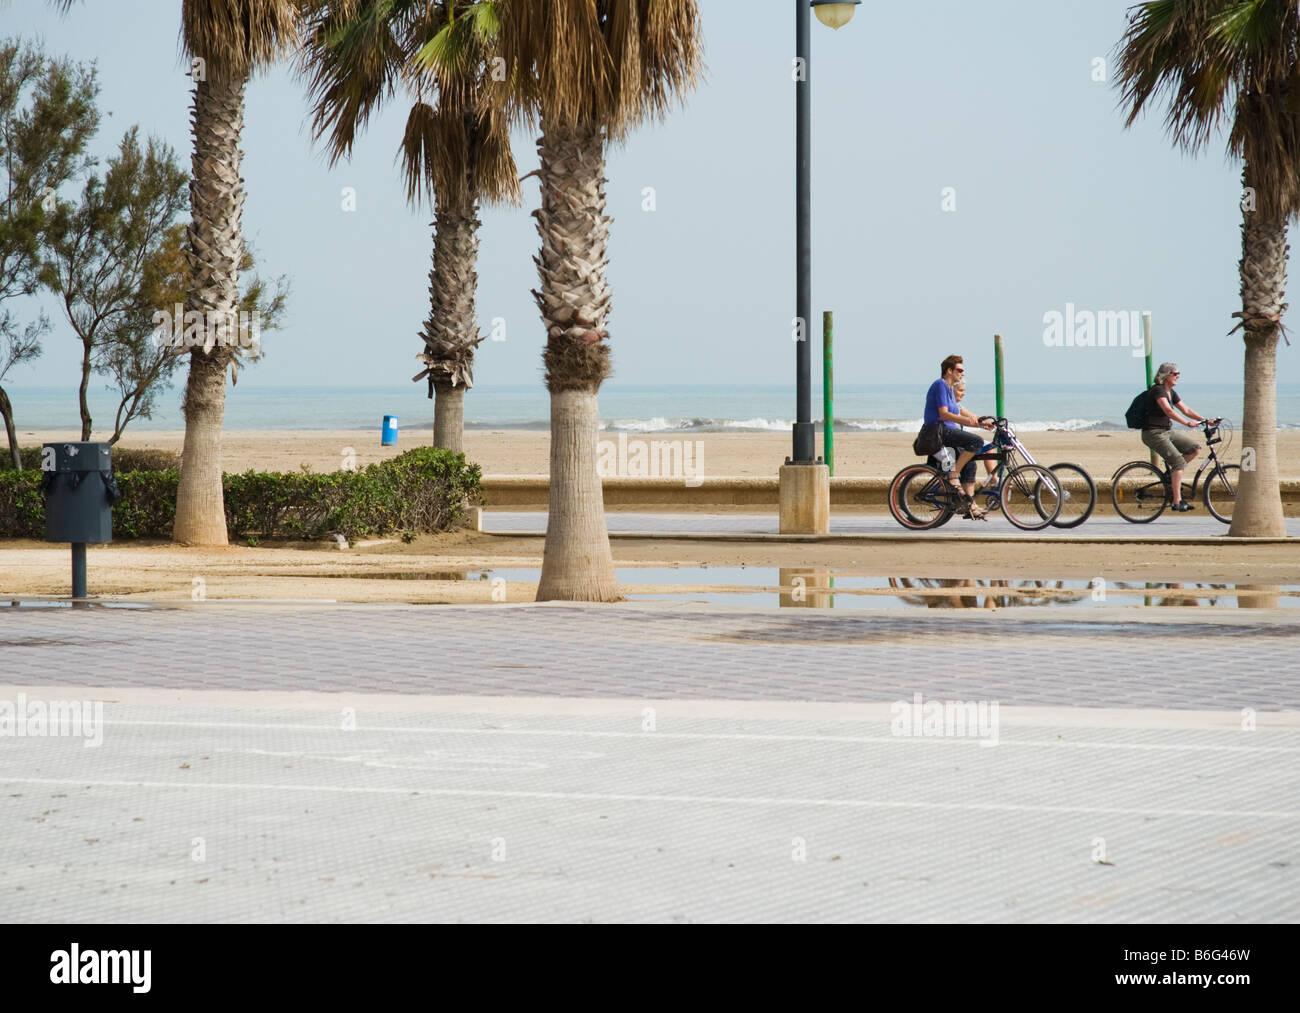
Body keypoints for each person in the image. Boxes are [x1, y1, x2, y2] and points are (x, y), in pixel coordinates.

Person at [923, 355, 996, 518]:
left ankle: (971, 505)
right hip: (938, 431)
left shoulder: (949, 390)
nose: (962, 373)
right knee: (976, 441)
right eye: (959, 370)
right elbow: (944, 414)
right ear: (949, 370)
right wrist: (969, 421)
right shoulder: (940, 384)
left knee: (971, 463)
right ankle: (953, 474)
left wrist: (983, 423)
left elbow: (963, 415)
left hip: (948, 432)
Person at [1141, 362, 1216, 512]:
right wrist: (1186, 423)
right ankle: (1177, 502)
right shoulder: (1158, 391)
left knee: (1194, 449)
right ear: (1166, 375)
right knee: (1179, 463)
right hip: (1153, 433)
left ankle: (1170, 476)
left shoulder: (1171, 393)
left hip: (1166, 432)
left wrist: (1205, 420)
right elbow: (1169, 411)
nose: (1178, 377)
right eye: (1175, 374)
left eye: (1178, 374)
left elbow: (1186, 409)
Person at [953, 378, 998, 487]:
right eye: (960, 390)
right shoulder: (950, 406)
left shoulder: (957, 406)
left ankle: (993, 480)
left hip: (959, 440)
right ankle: (994, 481)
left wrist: (988, 421)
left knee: (990, 447)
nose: (963, 394)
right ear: (951, 390)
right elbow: (969, 420)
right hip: (953, 442)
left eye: (964, 391)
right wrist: (980, 423)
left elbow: (973, 416)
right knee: (979, 445)